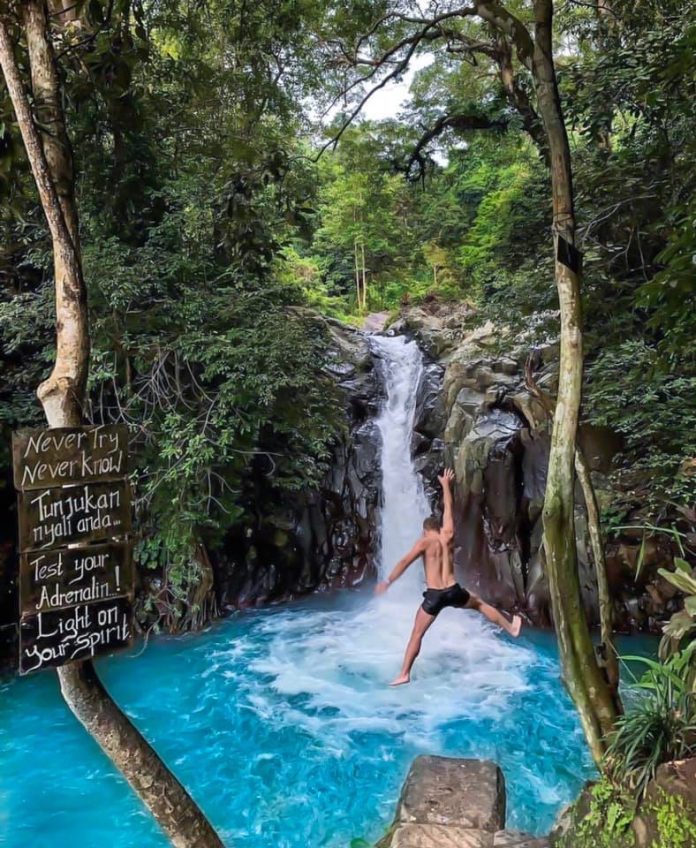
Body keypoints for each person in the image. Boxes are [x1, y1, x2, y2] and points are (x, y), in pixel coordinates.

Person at [375, 468, 522, 686]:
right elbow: (449, 510)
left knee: (416, 634)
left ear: (425, 530)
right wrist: (446, 486)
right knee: (480, 604)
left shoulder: (425, 542)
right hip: (454, 590)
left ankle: (404, 673)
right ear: (438, 527)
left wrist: (388, 582)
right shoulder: (448, 535)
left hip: (434, 595)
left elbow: (405, 562)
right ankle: (511, 628)